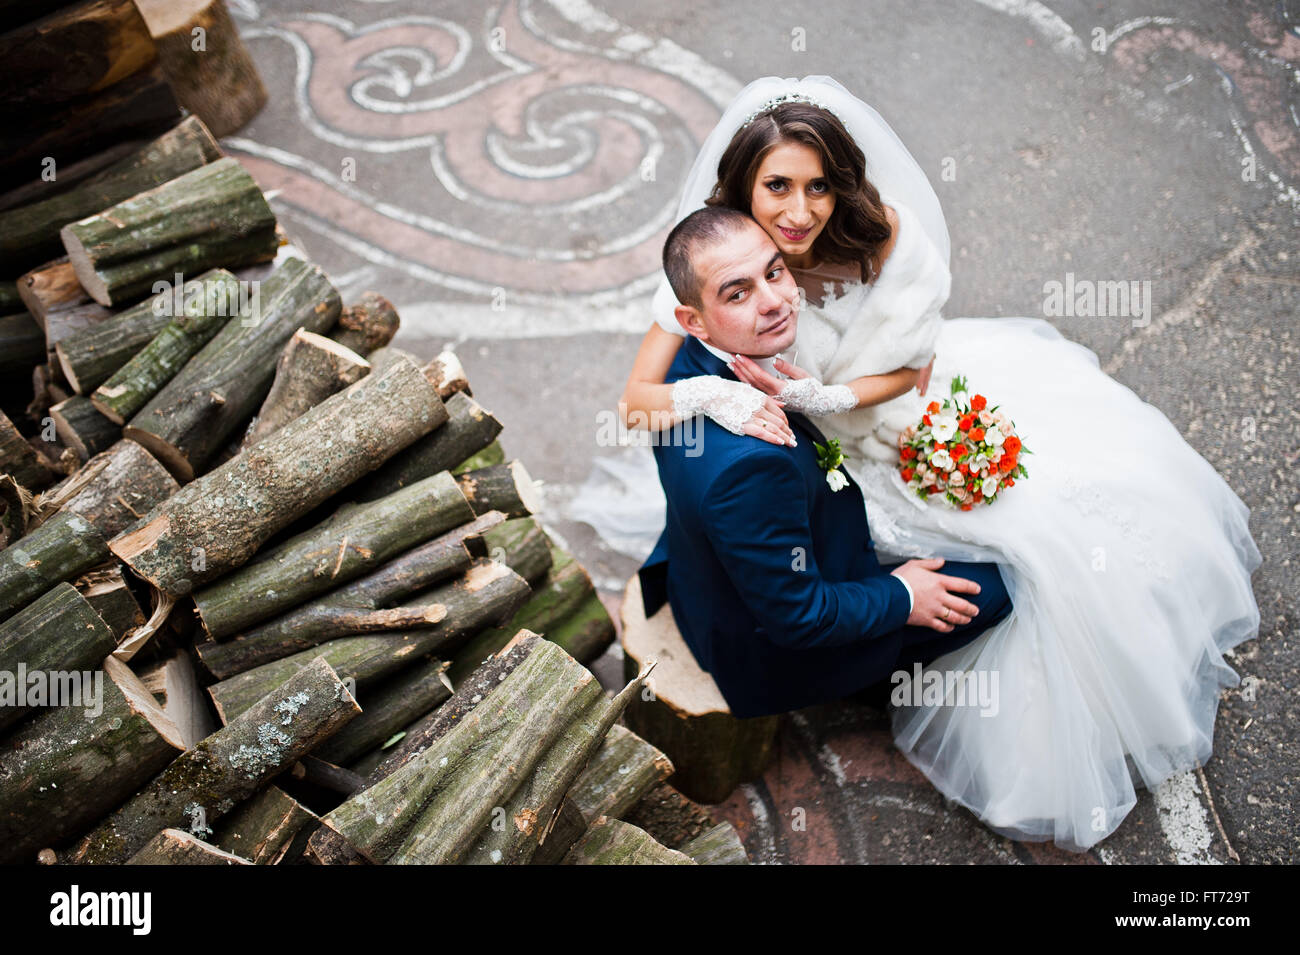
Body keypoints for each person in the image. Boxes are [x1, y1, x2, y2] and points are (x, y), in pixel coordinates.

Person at [607, 75, 1262, 851]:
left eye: (818, 186)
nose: (797, 211)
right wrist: (717, 404)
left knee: (1053, 509)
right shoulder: (719, 267)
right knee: (1012, 572)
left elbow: (912, 368)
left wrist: (828, 393)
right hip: (806, 483)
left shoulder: (871, 236)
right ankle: (890, 646)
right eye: (776, 185)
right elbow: (640, 399)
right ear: (741, 189)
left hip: (863, 417)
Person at [638, 203, 1013, 720]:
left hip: (711, 572)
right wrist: (905, 594)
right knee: (998, 585)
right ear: (692, 319)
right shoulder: (747, 469)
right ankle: (871, 687)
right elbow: (800, 618)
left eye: (774, 272)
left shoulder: (690, 365)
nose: (774, 302)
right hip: (769, 649)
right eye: (738, 292)